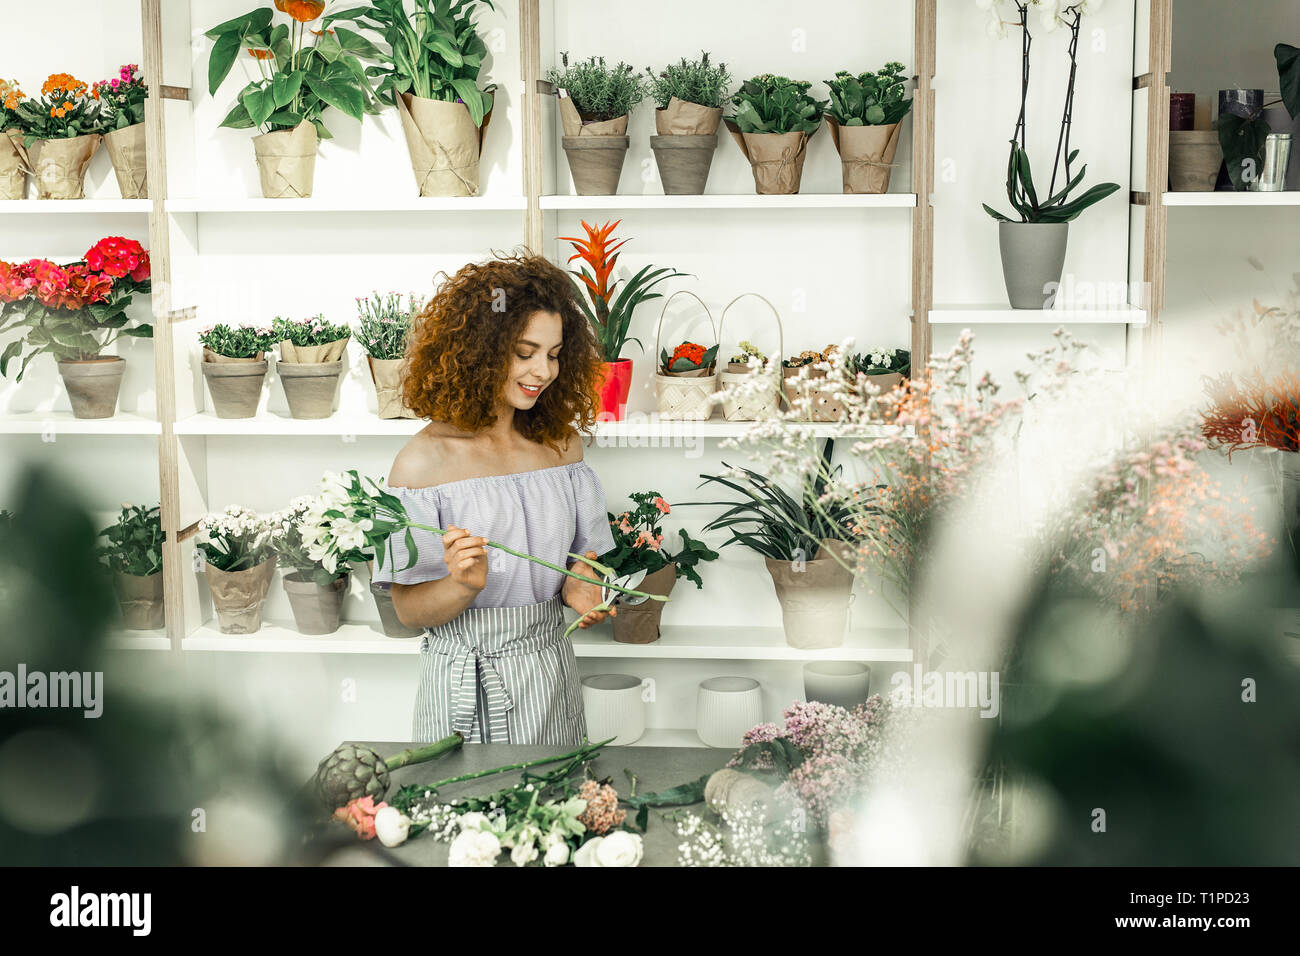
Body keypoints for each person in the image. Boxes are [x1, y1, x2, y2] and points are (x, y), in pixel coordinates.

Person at [373, 251, 618, 748]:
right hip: (462, 684)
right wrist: (462, 585)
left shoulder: (562, 448)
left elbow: (582, 564)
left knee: (557, 816)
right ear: (480, 350)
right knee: (466, 822)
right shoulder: (421, 464)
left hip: (549, 677)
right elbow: (408, 611)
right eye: (525, 352)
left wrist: (581, 589)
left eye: (553, 354)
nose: (543, 371)